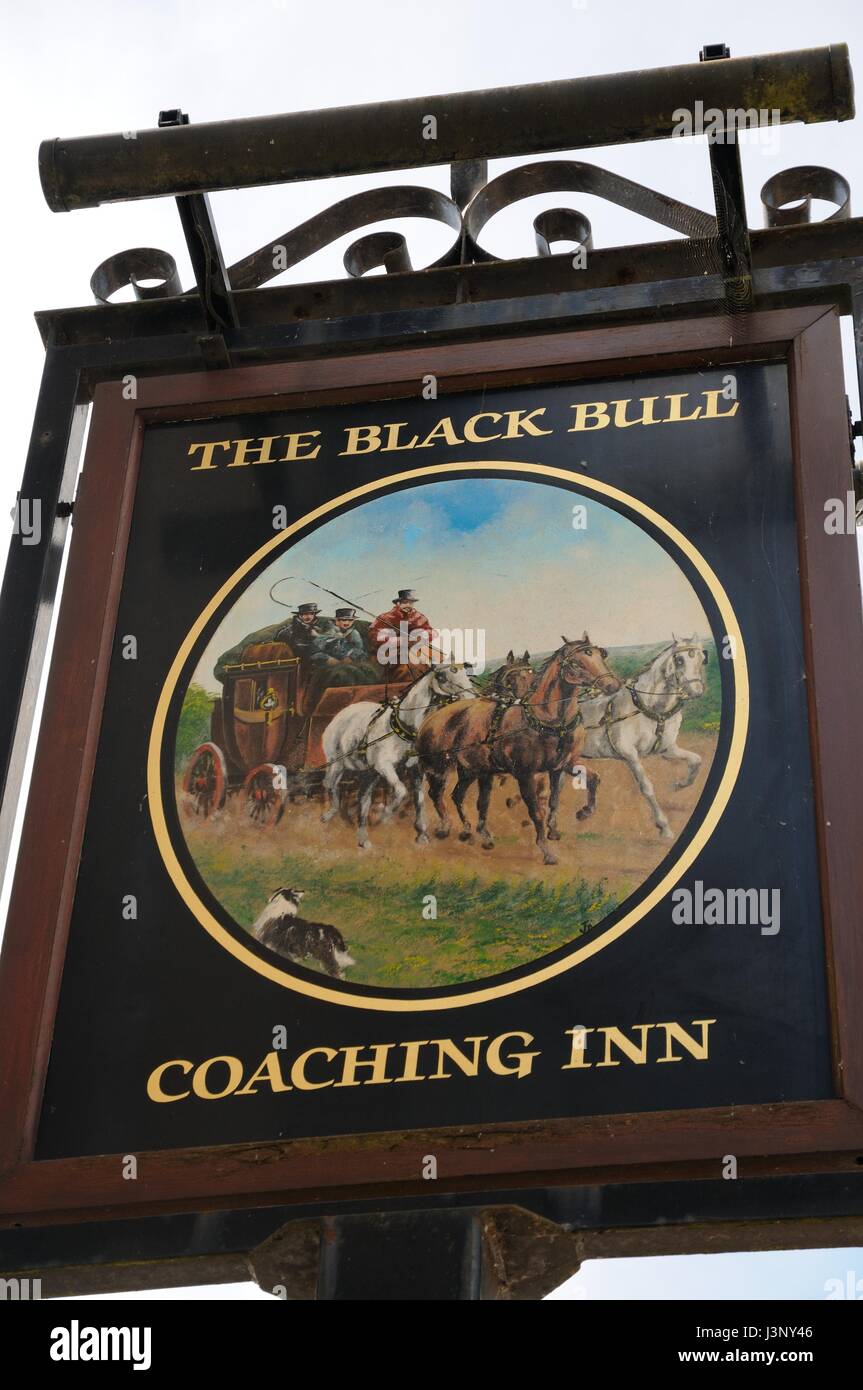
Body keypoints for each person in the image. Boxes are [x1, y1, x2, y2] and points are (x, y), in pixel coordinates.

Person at [368, 589, 435, 674]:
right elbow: (374, 635)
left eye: (410, 603)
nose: (408, 605)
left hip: (415, 649)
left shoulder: (418, 617)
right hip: (391, 652)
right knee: (406, 667)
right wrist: (398, 641)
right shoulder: (385, 618)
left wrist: (420, 636)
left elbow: (430, 631)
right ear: (398, 603)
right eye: (405, 602)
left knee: (437, 659)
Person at [308, 608, 379, 686]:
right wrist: (328, 659)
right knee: (342, 675)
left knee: (367, 671)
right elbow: (314, 652)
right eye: (344, 620)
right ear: (337, 621)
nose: (347, 622)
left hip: (350, 663)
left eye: (350, 620)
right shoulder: (328, 632)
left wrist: (351, 657)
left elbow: (359, 649)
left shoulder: (354, 633)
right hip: (329, 665)